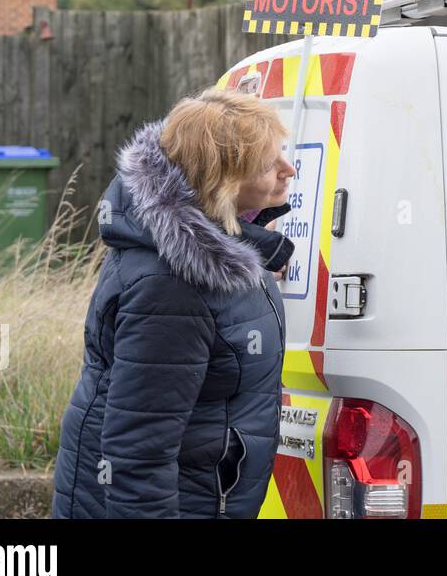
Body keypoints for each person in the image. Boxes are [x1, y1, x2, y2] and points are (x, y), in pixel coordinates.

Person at [51, 87, 296, 518]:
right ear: (224, 184)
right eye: (267, 164)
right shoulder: (172, 291)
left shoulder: (215, 248)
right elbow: (138, 451)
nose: (287, 169)